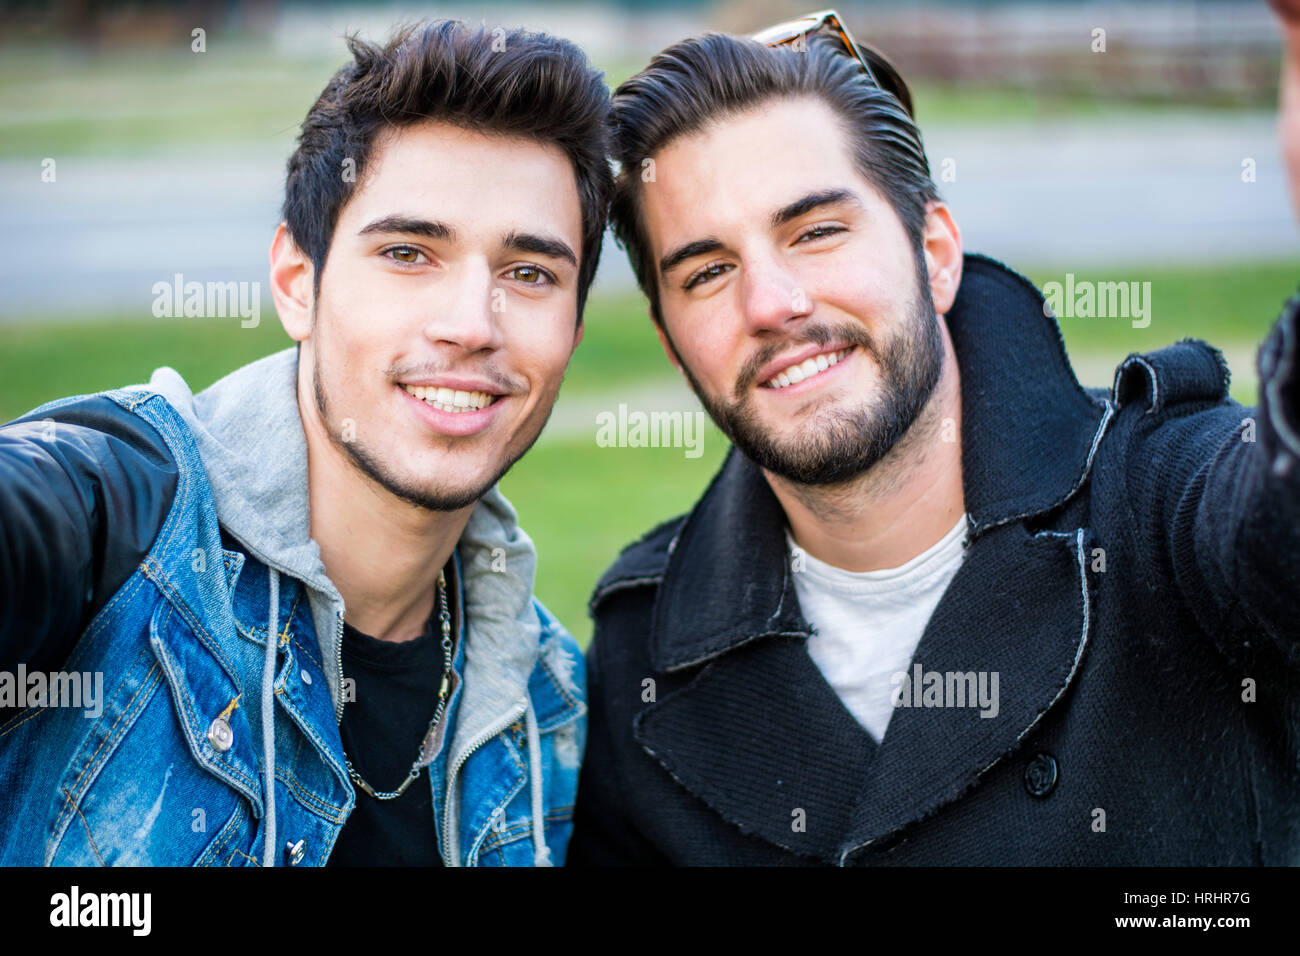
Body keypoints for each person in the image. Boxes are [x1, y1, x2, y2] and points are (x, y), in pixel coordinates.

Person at [569, 13, 1299, 865]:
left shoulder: (1172, 499)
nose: (770, 304)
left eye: (816, 231)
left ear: (936, 252)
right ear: (671, 344)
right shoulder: (641, 658)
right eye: (707, 273)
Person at [0, 19, 611, 867]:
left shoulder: (550, 705)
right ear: (298, 283)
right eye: (408, 252)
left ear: (574, 328)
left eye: (530, 273)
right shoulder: (117, 511)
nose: (473, 325)